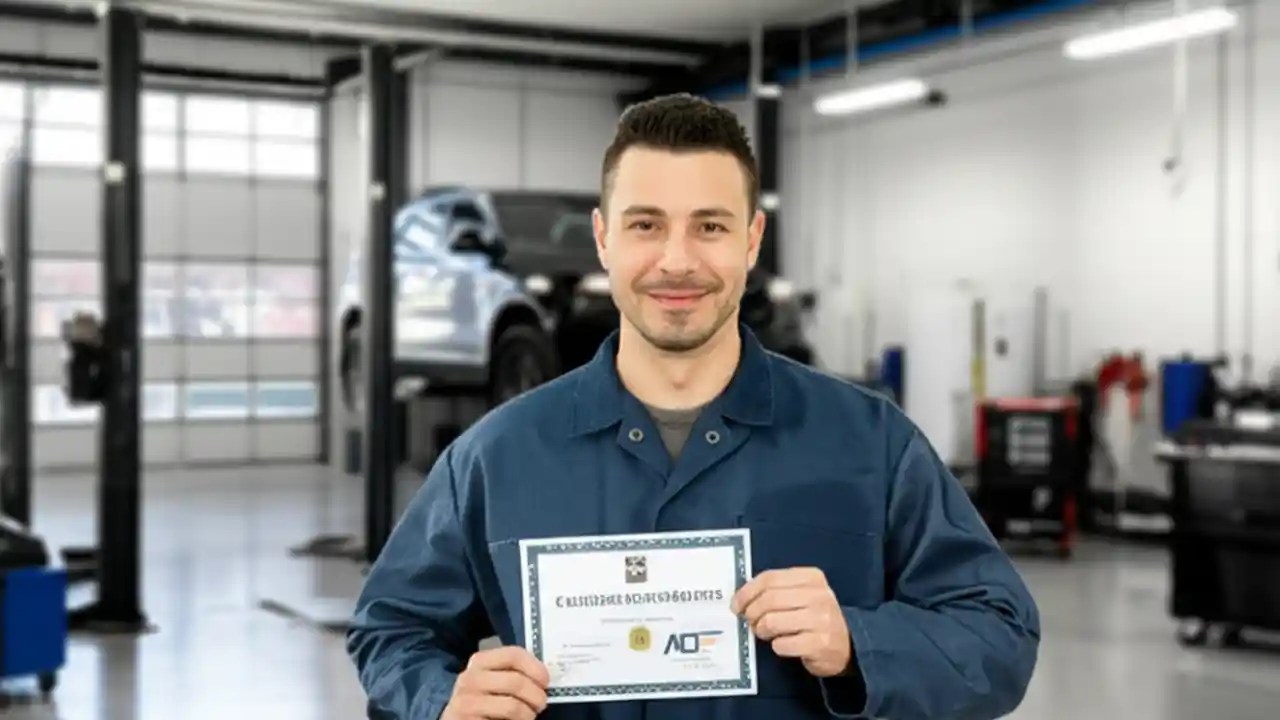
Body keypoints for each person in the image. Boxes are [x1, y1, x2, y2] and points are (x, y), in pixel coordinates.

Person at [347, 93, 1040, 720]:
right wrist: (442, 700)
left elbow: (999, 633)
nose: (676, 261)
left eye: (709, 227)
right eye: (646, 224)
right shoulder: (495, 458)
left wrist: (859, 643)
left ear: (751, 241)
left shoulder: (871, 444)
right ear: (603, 238)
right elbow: (392, 628)